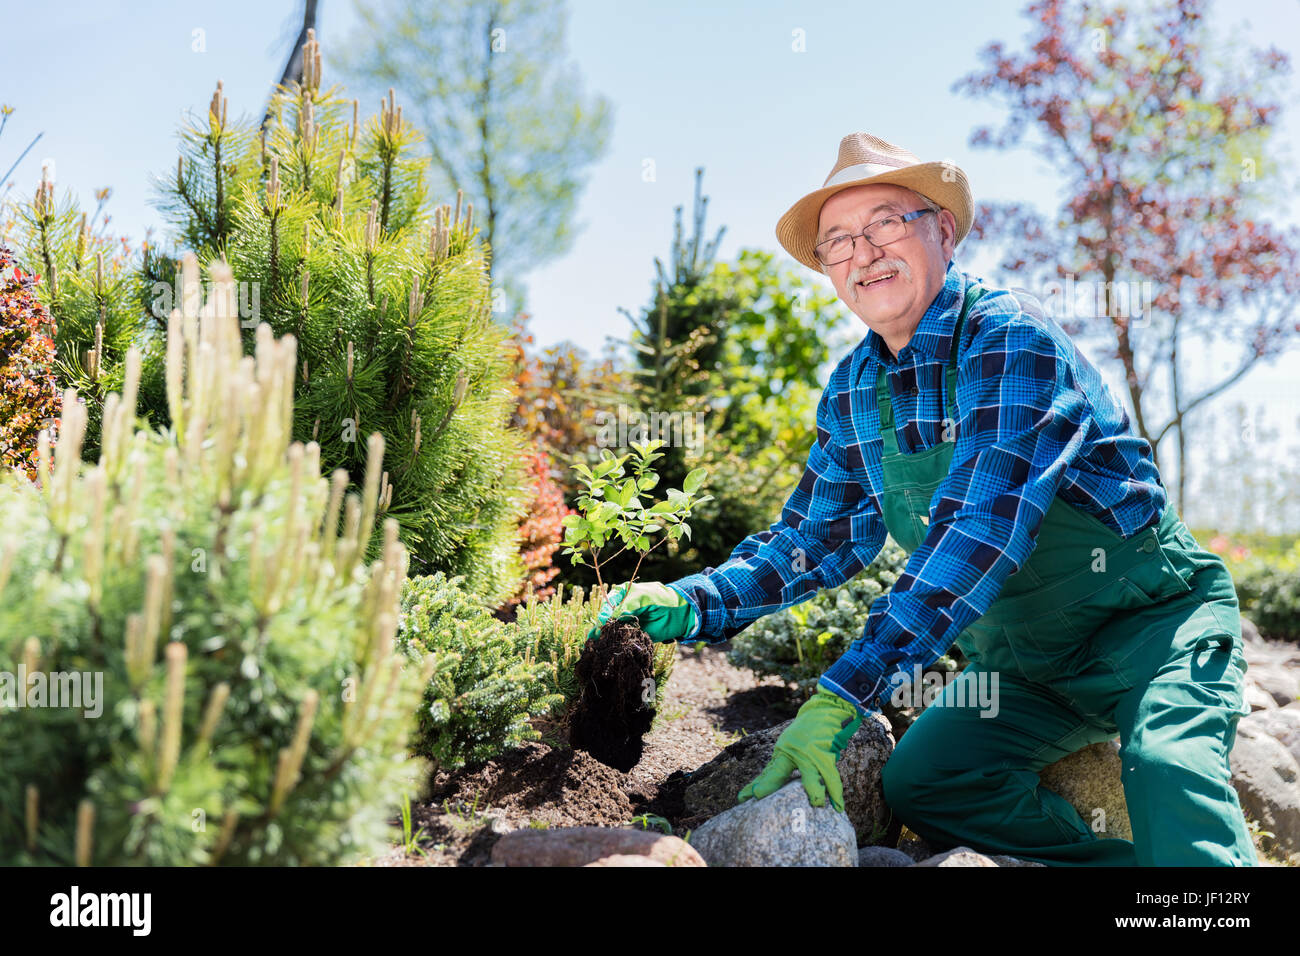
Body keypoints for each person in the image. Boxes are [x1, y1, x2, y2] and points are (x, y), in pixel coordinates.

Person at [590, 132, 1256, 866]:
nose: (864, 252)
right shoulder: (851, 392)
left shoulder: (1008, 338)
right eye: (837, 242)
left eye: (884, 223)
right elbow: (812, 541)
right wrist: (692, 601)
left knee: (1167, 768)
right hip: (1030, 670)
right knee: (928, 782)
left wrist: (845, 691)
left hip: (1154, 628)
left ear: (942, 230)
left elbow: (980, 531)